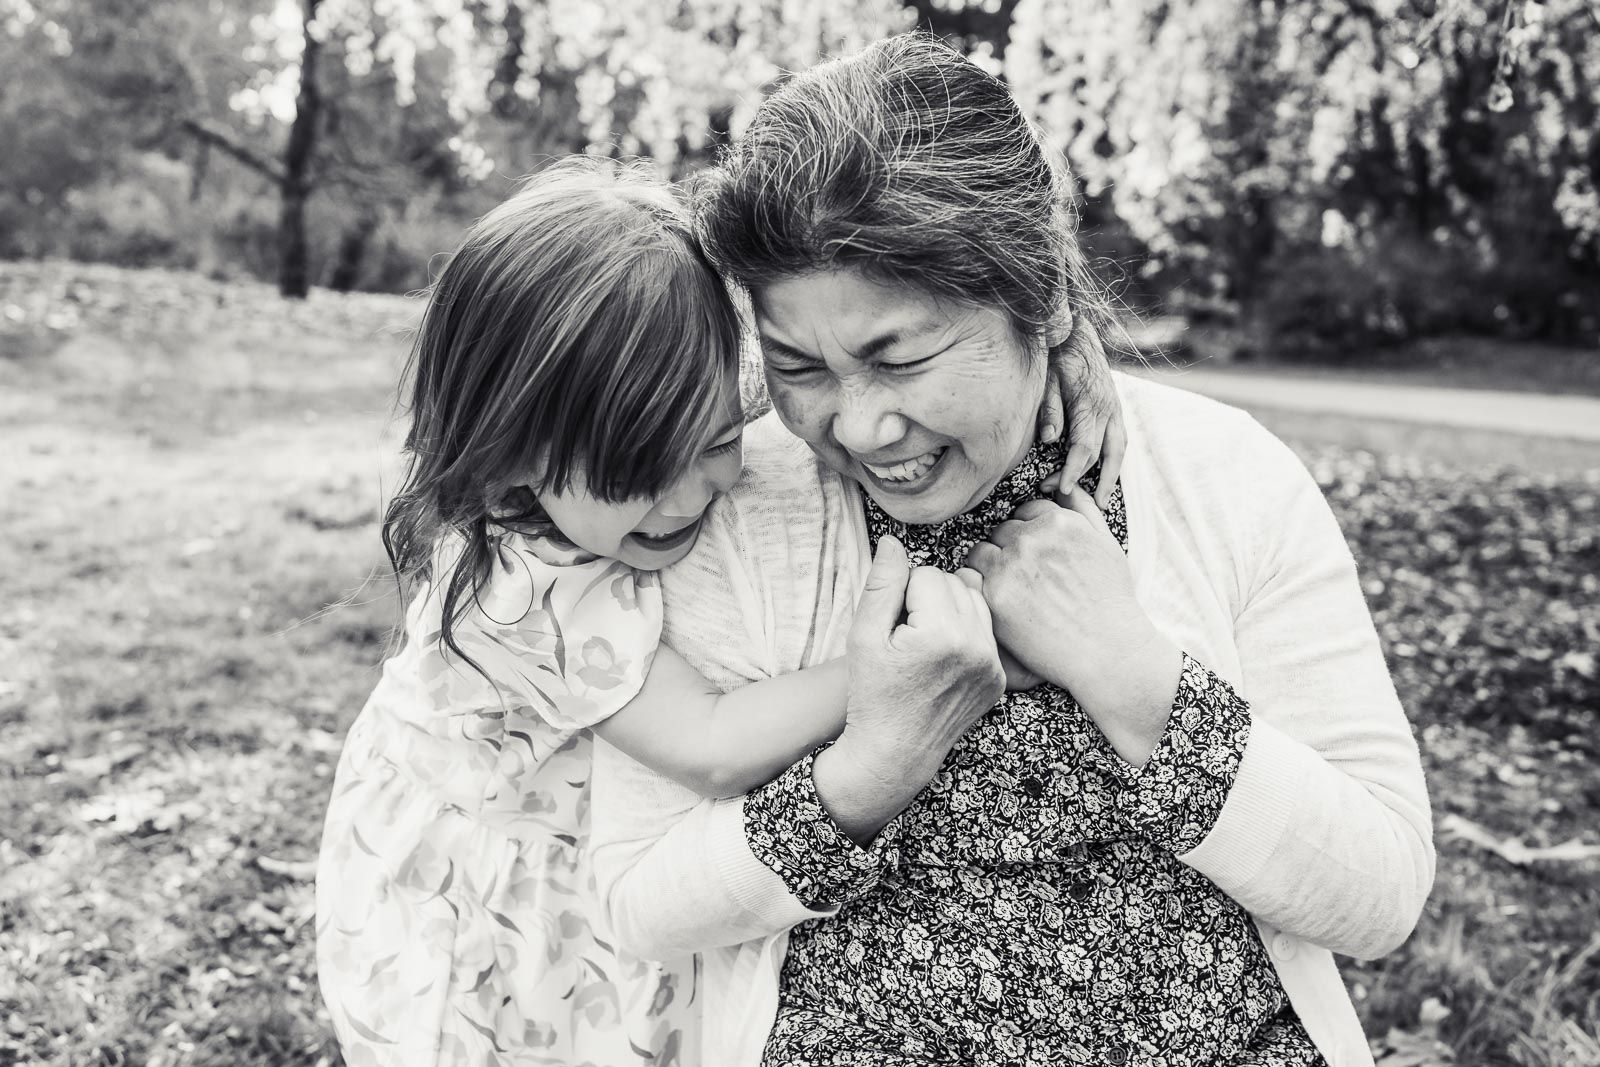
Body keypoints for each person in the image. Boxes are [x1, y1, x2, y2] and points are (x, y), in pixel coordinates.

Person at [587, 35, 1435, 1067]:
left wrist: (1138, 678)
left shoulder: (1224, 475)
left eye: (902, 358)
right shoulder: (738, 506)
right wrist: (869, 768)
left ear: (1044, 299)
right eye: (800, 366)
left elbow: (1381, 893)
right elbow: (636, 901)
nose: (858, 426)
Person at [314, 158, 1124, 1066]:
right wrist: (903, 661)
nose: (690, 494)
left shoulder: (651, 412)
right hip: (498, 904)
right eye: (636, 473)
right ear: (509, 461)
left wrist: (1060, 342)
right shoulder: (525, 595)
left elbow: (834, 337)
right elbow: (712, 742)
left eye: (718, 439)